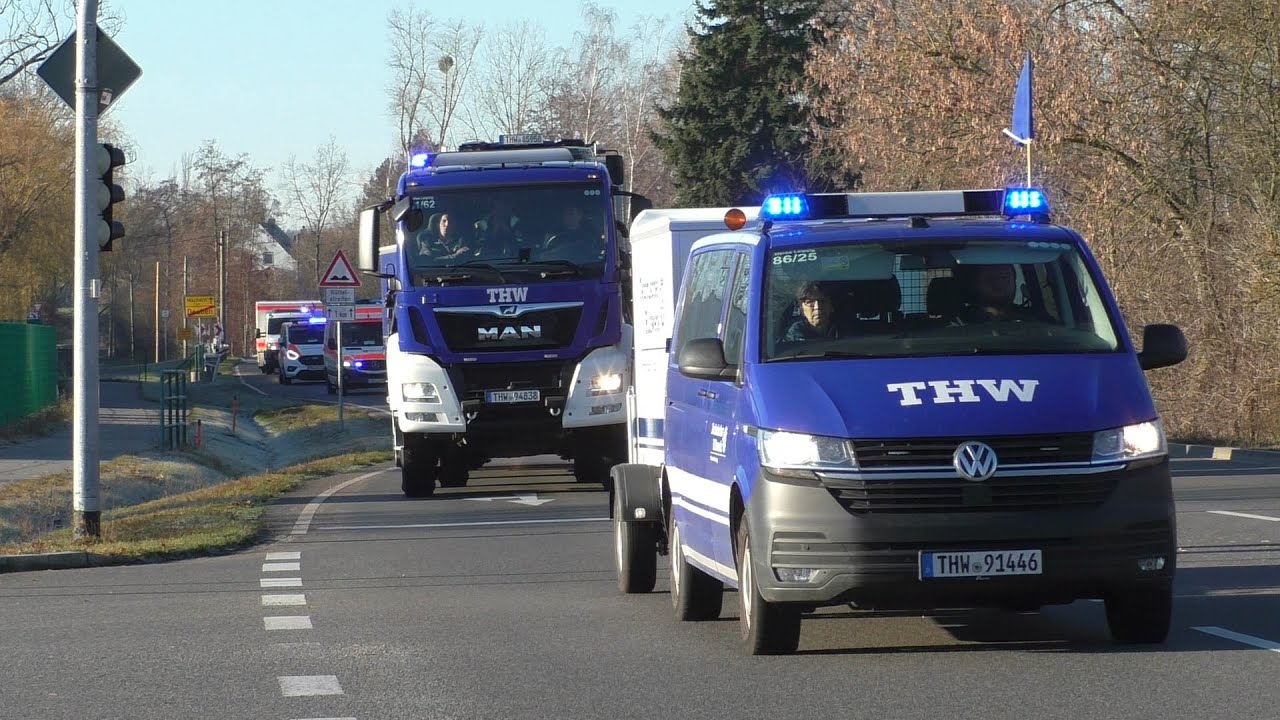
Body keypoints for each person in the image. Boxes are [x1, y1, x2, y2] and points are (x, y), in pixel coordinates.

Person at [956, 264, 1045, 323]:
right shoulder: (957, 327)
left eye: (1004, 277)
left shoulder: (1038, 320)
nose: (999, 283)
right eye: (991, 278)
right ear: (972, 282)